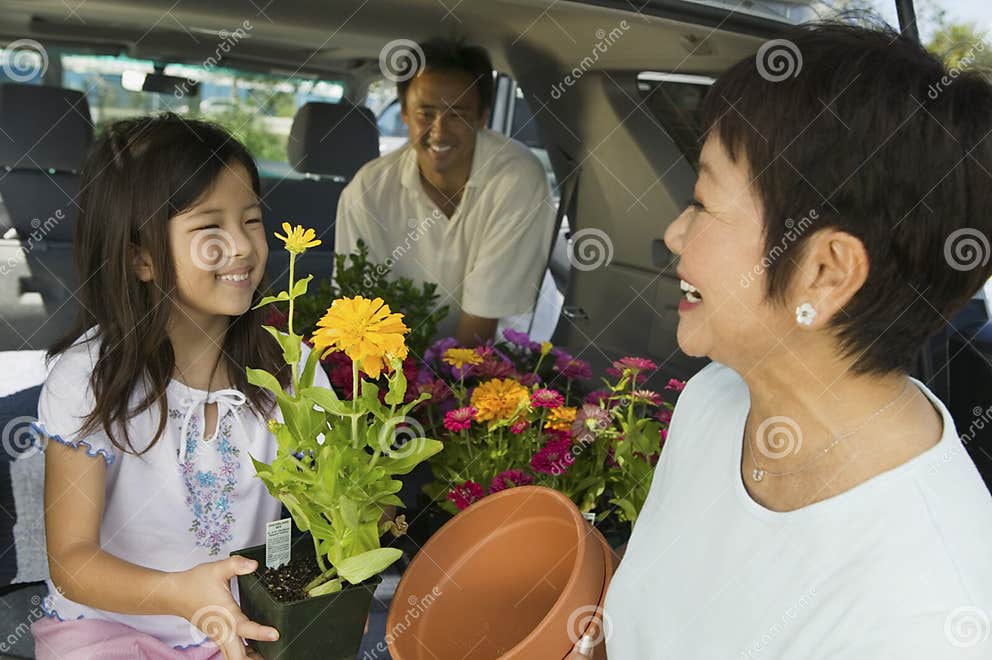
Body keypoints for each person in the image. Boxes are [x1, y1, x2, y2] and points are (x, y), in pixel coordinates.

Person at [602, 20, 992, 659]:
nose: (675, 233)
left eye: (703, 201)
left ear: (826, 270)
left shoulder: (925, 616)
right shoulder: (716, 401)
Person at [29, 114, 331, 660]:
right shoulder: (87, 381)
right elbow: (72, 560)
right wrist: (179, 594)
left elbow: (307, 520)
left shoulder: (294, 370)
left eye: (252, 220)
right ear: (140, 257)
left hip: (239, 631)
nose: (240, 247)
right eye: (209, 228)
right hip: (108, 636)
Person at [334, 37, 555, 346]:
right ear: (405, 115)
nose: (439, 131)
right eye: (426, 113)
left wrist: (437, 386)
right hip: (401, 359)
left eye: (457, 114)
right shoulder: (367, 192)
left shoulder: (516, 179)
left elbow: (480, 331)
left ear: (482, 118)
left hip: (506, 357)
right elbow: (356, 314)